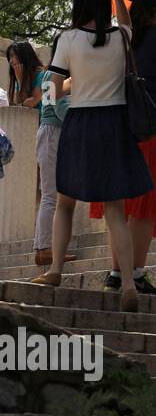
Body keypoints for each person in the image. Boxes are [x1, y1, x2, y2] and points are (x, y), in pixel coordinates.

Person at [31, 0, 150, 311]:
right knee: (115, 210)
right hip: (114, 123)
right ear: (105, 3)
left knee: (65, 203)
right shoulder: (121, 38)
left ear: (78, 4)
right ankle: (128, 284)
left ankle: (55, 269)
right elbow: (126, 21)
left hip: (80, 121)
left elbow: (50, 87)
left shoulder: (67, 40)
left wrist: (57, 111)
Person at [88, 0, 156, 295]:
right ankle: (136, 273)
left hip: (118, 131)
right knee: (145, 209)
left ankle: (117, 273)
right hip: (152, 131)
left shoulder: (123, 39)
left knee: (122, 207)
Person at [6, 41, 75, 267]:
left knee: (50, 196)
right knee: (50, 196)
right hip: (52, 134)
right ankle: (44, 249)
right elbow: (55, 106)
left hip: (50, 134)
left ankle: (44, 248)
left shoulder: (48, 76)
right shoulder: (51, 76)